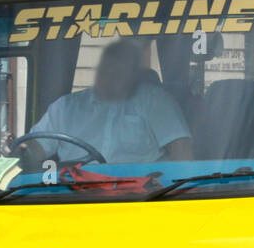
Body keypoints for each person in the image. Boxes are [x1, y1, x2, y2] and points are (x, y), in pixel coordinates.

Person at [23, 38, 191, 167]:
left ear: (133, 72)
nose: (111, 73)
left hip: (145, 197)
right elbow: (36, 147)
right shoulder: (65, 108)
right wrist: (21, 153)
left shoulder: (155, 101)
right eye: (107, 66)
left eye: (119, 68)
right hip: (73, 198)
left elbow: (181, 151)